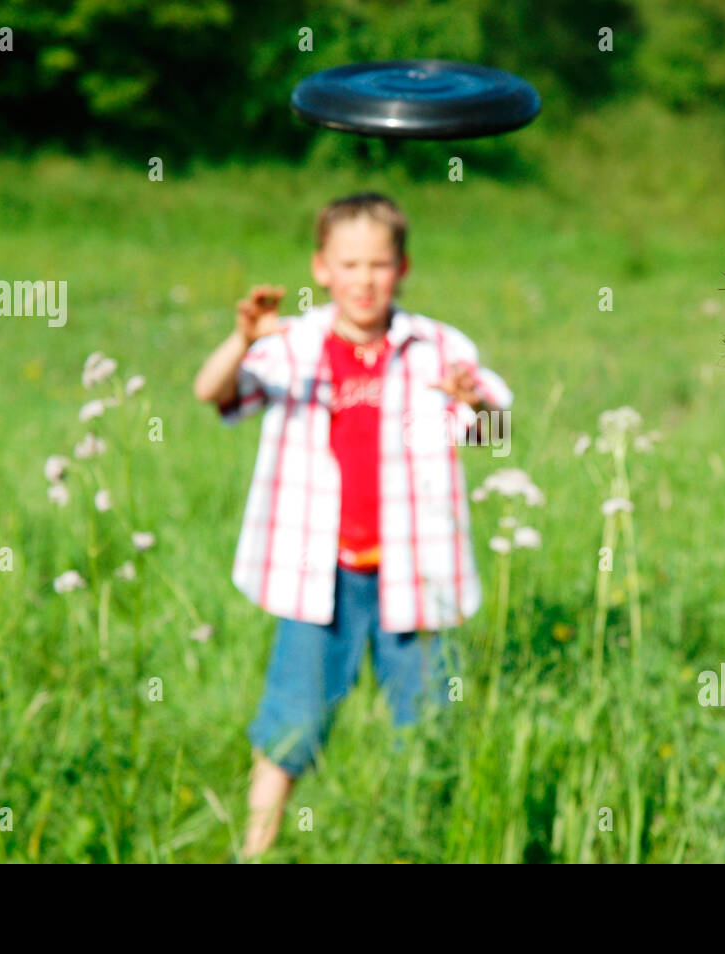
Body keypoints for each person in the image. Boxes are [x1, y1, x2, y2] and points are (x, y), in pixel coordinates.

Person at [193, 193, 512, 859]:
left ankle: (418, 841)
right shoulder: (293, 345)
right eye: (349, 264)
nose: (364, 279)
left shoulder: (439, 347)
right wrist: (243, 338)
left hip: (416, 575)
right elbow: (213, 393)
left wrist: (473, 402)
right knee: (292, 721)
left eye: (379, 264)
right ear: (321, 268)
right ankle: (255, 849)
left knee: (427, 725)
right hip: (319, 577)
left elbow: (497, 433)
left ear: (403, 267)